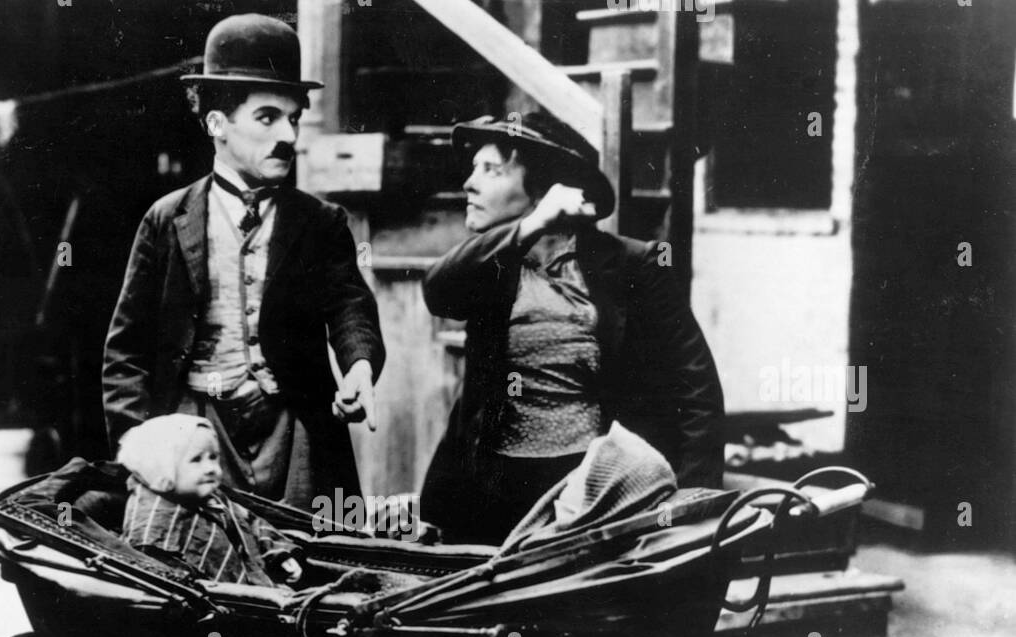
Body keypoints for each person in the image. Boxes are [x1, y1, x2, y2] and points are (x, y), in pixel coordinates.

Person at [103, 13, 385, 511]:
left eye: (294, 118)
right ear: (217, 123)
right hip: (197, 428)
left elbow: (349, 306)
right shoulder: (167, 220)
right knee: (199, 564)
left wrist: (359, 367)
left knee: (308, 561)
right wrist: (140, 447)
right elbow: (126, 349)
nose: (288, 136)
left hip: (293, 425)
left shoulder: (320, 222)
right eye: (267, 118)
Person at [419, 112, 724, 545]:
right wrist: (531, 225)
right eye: (473, 170)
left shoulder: (634, 265)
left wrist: (695, 496)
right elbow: (439, 293)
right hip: (492, 490)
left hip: (591, 489)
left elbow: (696, 388)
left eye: (491, 170)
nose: (470, 183)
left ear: (544, 184)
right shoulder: (491, 265)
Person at [118, 414, 302, 588]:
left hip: (259, 582)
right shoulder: (154, 531)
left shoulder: (208, 496)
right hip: (229, 606)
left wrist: (279, 554)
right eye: (196, 460)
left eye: (213, 457)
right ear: (162, 465)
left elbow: (250, 521)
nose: (211, 468)